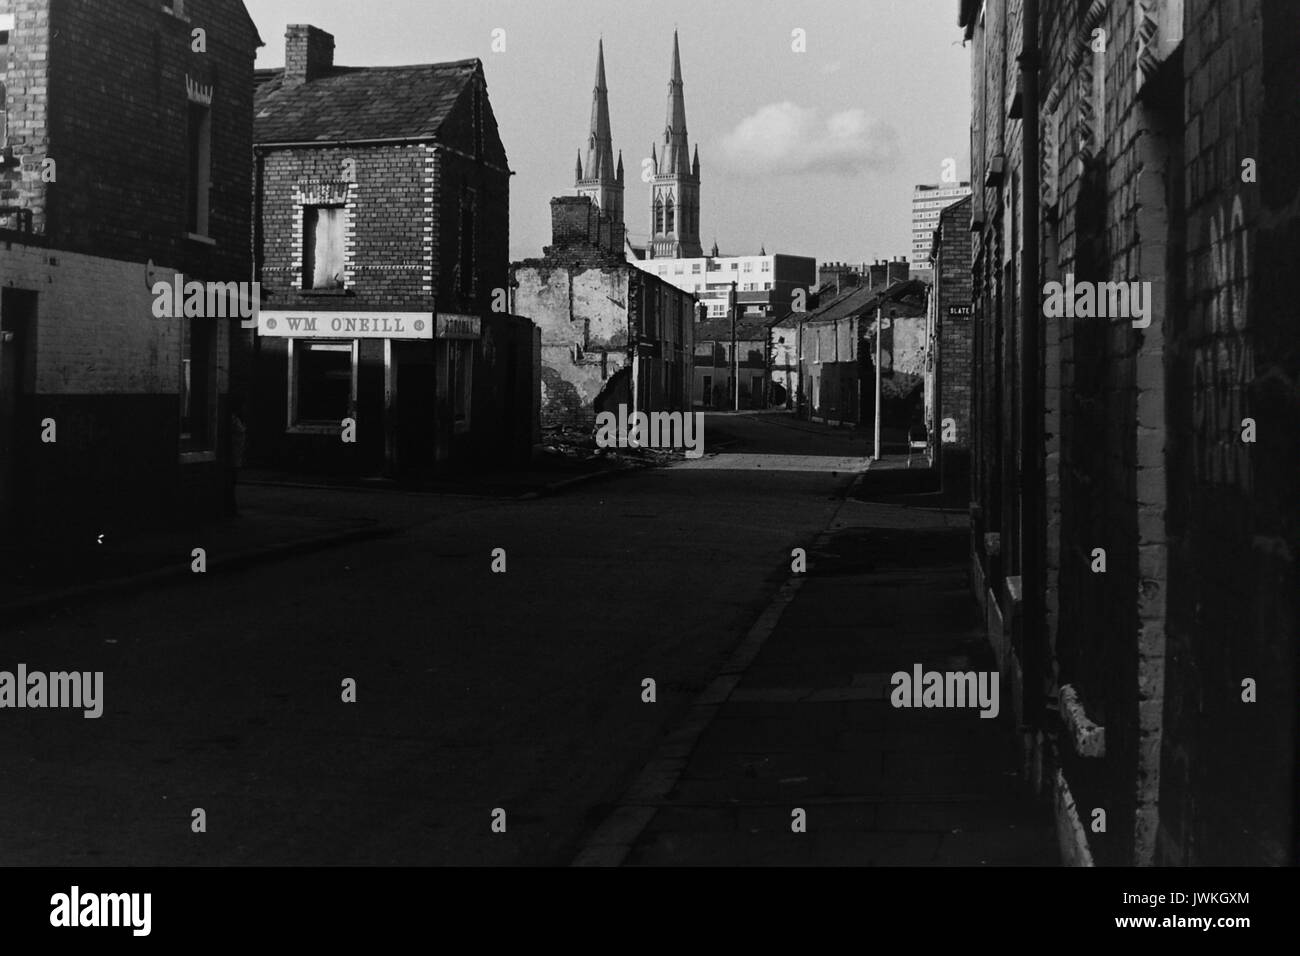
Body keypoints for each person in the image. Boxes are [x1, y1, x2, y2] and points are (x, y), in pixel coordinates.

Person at [226, 396, 247, 516]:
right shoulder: (234, 420)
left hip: (236, 455)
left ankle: (232, 506)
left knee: (233, 481)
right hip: (233, 455)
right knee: (231, 481)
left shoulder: (236, 419)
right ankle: (231, 507)